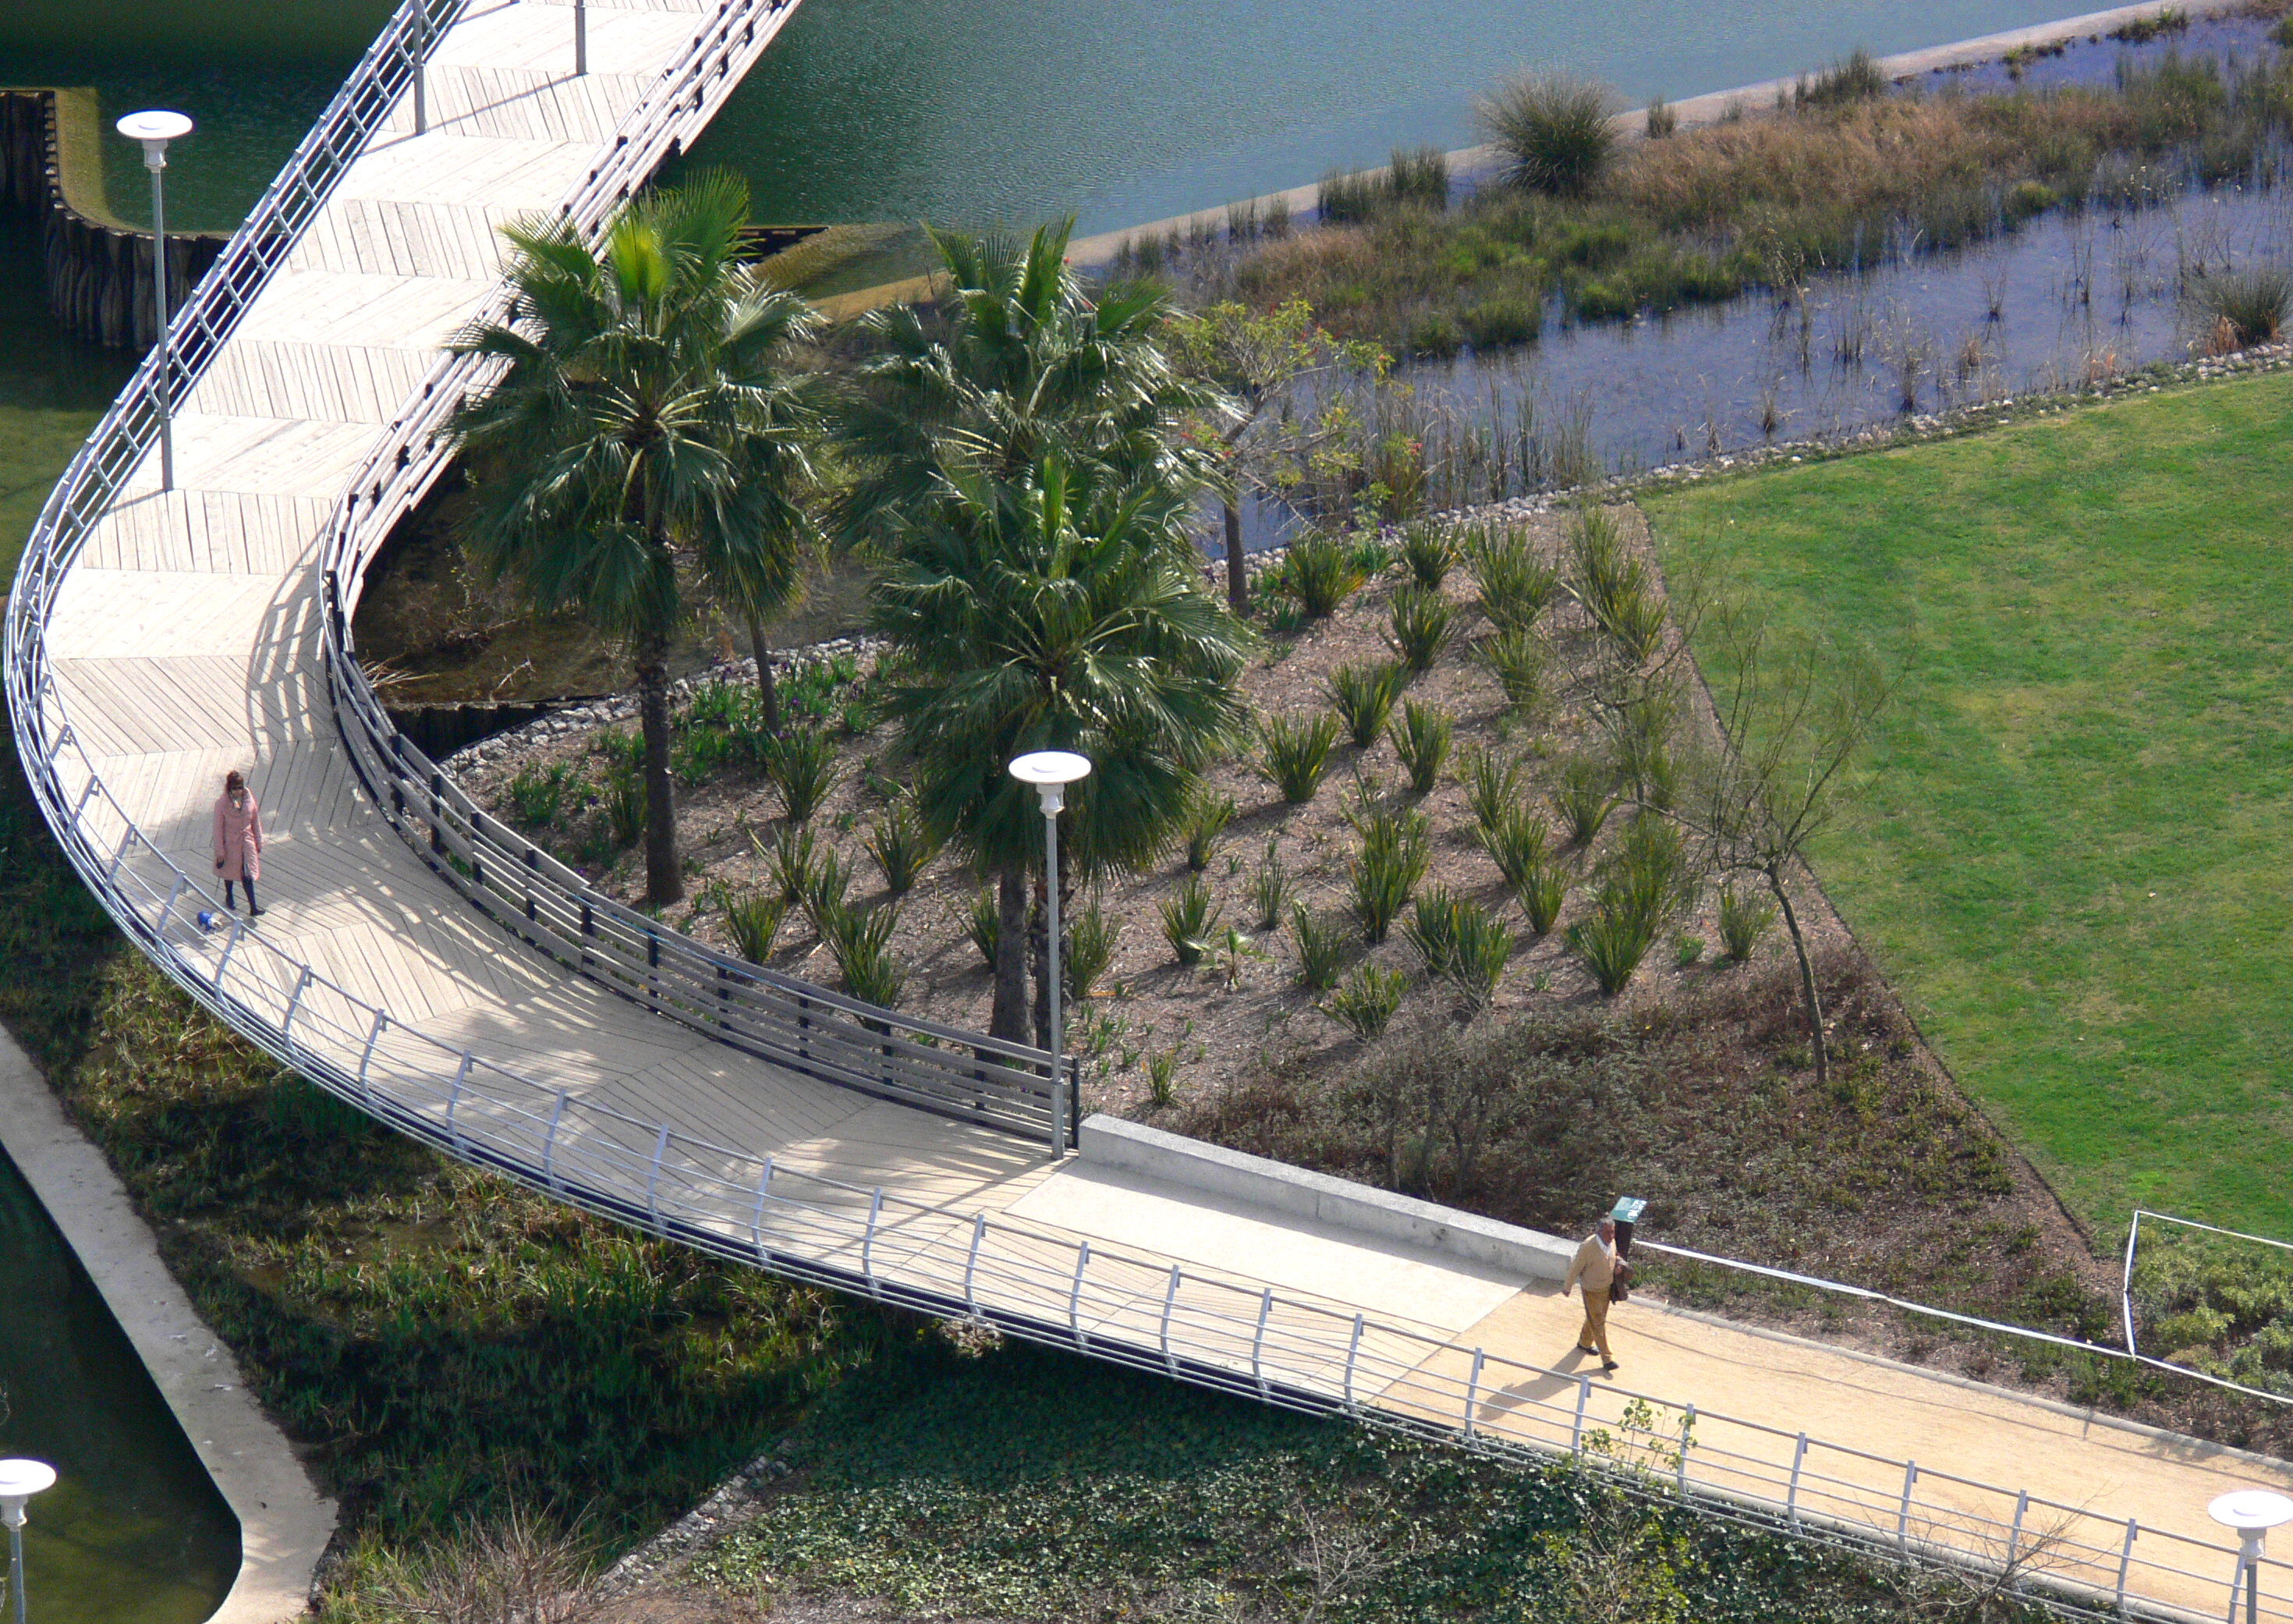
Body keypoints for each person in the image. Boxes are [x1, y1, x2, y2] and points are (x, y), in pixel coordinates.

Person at [1563, 1214, 1621, 1374]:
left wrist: (1618, 1266)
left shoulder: (1612, 1242)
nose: (1611, 1236)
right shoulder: (1588, 1247)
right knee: (1598, 1322)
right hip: (1591, 1290)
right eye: (1608, 1232)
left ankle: (1584, 1342)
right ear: (1599, 1232)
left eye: (1613, 1232)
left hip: (1606, 1288)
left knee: (1595, 1318)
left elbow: (1613, 1257)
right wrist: (1567, 1287)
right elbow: (1575, 1267)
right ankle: (1608, 1359)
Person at [211, 770, 264, 917]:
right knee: (229, 871)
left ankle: (253, 907)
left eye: (240, 787)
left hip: (247, 843)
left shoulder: (249, 799)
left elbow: (255, 821)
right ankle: (229, 895)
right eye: (235, 788)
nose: (238, 791)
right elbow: (218, 829)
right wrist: (220, 852)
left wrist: (258, 841)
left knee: (247, 874)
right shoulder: (221, 804)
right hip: (230, 844)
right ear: (229, 788)